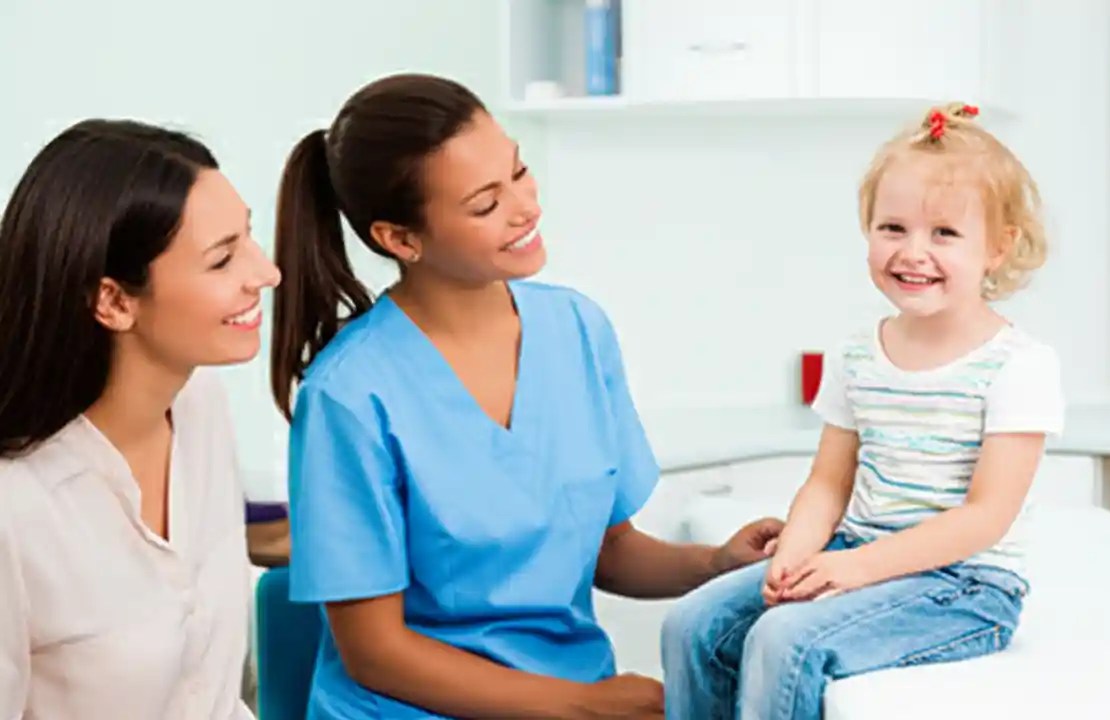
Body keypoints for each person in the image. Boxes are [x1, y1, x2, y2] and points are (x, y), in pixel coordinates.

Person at [270, 72, 783, 720]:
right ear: (400, 239)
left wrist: (714, 562)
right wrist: (582, 706)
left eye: (519, 171)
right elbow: (377, 652)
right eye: (486, 204)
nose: (525, 207)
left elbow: (608, 549)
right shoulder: (350, 394)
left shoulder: (575, 329)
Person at [661, 103, 1065, 719]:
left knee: (785, 640)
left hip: (965, 586)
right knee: (691, 623)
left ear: (998, 248)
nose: (913, 252)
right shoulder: (856, 354)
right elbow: (829, 481)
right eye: (892, 228)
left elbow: (985, 518)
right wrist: (799, 550)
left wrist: (854, 568)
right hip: (860, 550)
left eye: (945, 234)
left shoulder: (1018, 365)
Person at [0, 120, 281, 718]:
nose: (265, 273)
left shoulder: (201, 406)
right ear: (114, 301)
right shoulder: (16, 504)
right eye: (223, 259)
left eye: (247, 238)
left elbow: (216, 696)